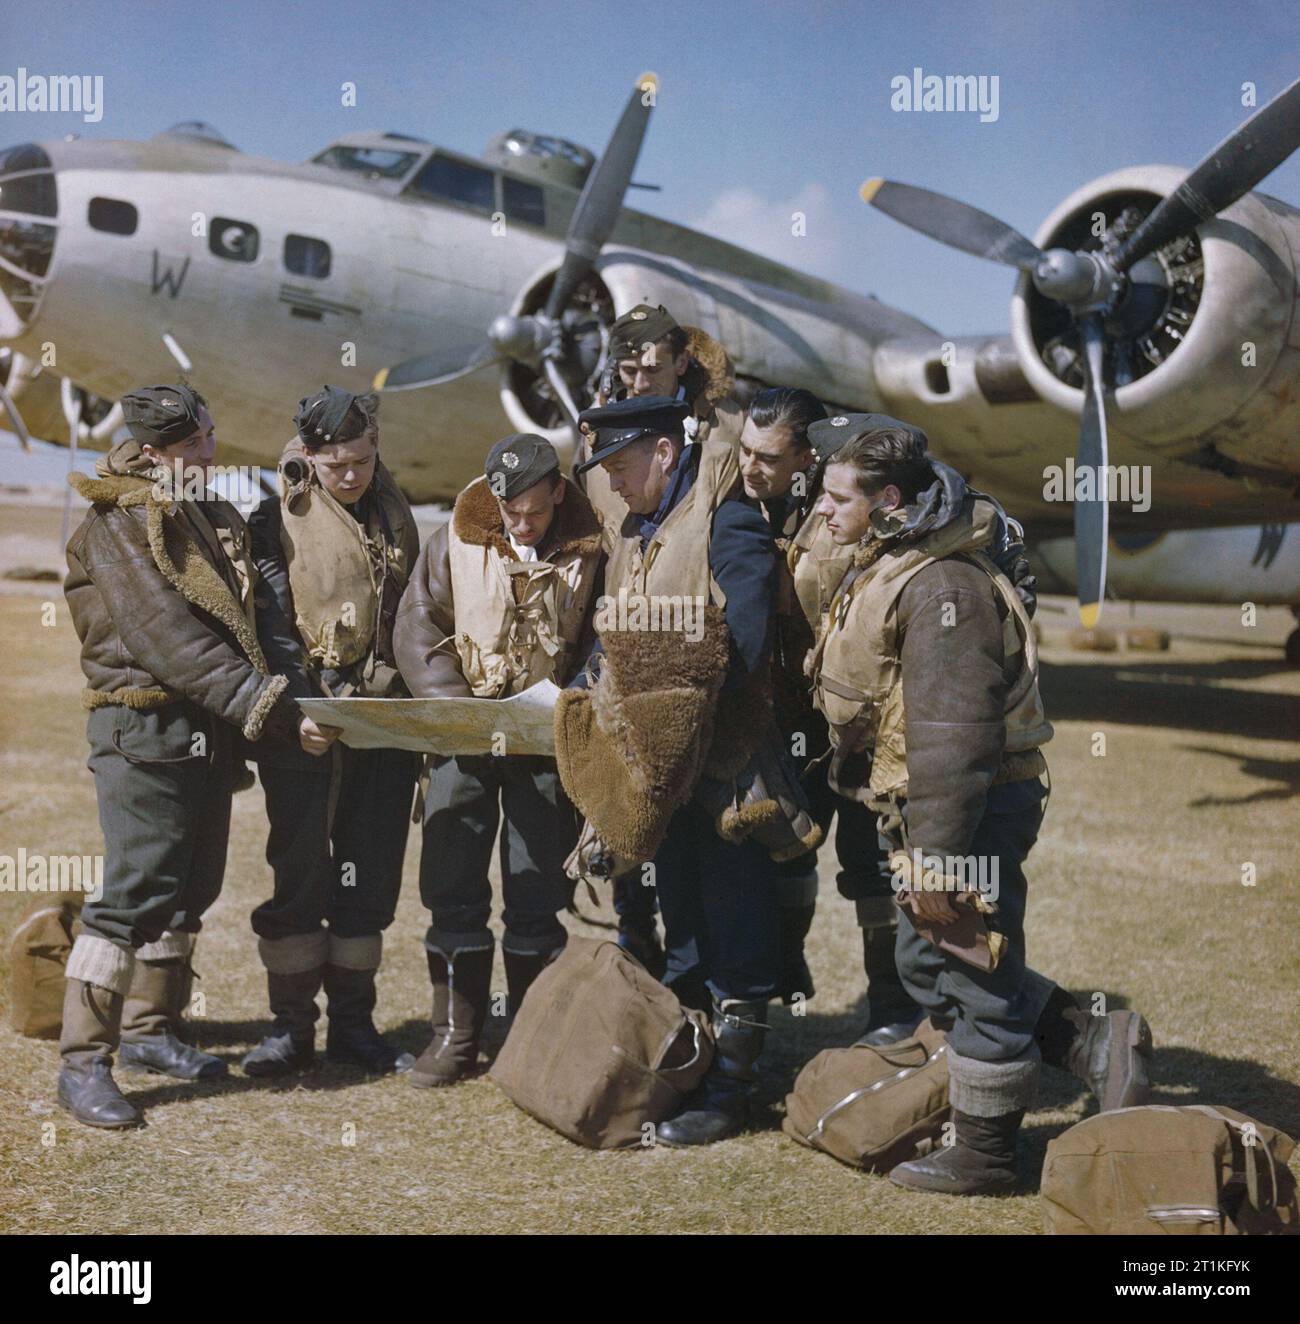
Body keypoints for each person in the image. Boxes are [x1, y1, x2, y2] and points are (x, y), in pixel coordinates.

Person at [807, 415, 1154, 1193]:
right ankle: (1098, 1042)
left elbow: (954, 739)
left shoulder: (943, 587)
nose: (822, 511)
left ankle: (989, 1155)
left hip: (967, 807)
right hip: (930, 803)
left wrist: (937, 860)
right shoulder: (894, 554)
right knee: (930, 962)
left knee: (971, 968)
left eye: (836, 498)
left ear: (887, 498)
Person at [59, 384, 316, 1128]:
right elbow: (168, 638)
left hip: (202, 732)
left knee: (188, 890)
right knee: (133, 895)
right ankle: (81, 1065)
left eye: (208, 436)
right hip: (142, 733)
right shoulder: (117, 522)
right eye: (191, 446)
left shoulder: (198, 508)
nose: (208, 453)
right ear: (150, 453)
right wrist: (263, 706)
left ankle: (148, 1032)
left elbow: (249, 612)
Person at [574, 395, 787, 1146]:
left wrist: (671, 708)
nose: (616, 485)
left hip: (723, 771)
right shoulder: (636, 530)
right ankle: (692, 1067)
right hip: (664, 779)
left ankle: (732, 1090)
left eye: (624, 467)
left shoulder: (726, 520)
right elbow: (616, 634)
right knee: (687, 925)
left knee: (737, 930)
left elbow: (749, 646)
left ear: (665, 453)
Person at [393, 434, 604, 1086]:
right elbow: (419, 627)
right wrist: (461, 716)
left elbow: (605, 635)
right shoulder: (455, 537)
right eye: (510, 511)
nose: (521, 523)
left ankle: (528, 1039)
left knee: (538, 892)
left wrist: (573, 701)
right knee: (452, 889)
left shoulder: (594, 546)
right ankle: (453, 1036)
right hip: (466, 739)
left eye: (534, 512)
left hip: (546, 743)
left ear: (558, 494)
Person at [243, 386, 421, 1077]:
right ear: (309, 456)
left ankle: (354, 1025)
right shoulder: (273, 520)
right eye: (336, 464)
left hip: (384, 727)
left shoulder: (394, 512)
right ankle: (291, 1029)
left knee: (369, 877)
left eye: (363, 461)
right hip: (303, 729)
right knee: (298, 876)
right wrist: (299, 713)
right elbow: (269, 626)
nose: (351, 476)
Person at [739, 391, 922, 1040]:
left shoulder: (852, 511)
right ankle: (788, 972)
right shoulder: (754, 505)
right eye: (746, 452)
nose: (753, 466)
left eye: (771, 456)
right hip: (795, 718)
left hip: (863, 721)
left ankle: (895, 1006)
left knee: (871, 858)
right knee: (789, 845)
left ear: (806, 456)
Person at [573, 303, 743, 973]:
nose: (638, 378)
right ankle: (634, 940)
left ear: (681, 362)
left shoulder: (725, 436)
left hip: (691, 646)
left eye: (651, 365)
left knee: (694, 832)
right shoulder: (600, 434)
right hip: (616, 644)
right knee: (624, 809)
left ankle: (711, 978)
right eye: (626, 366)